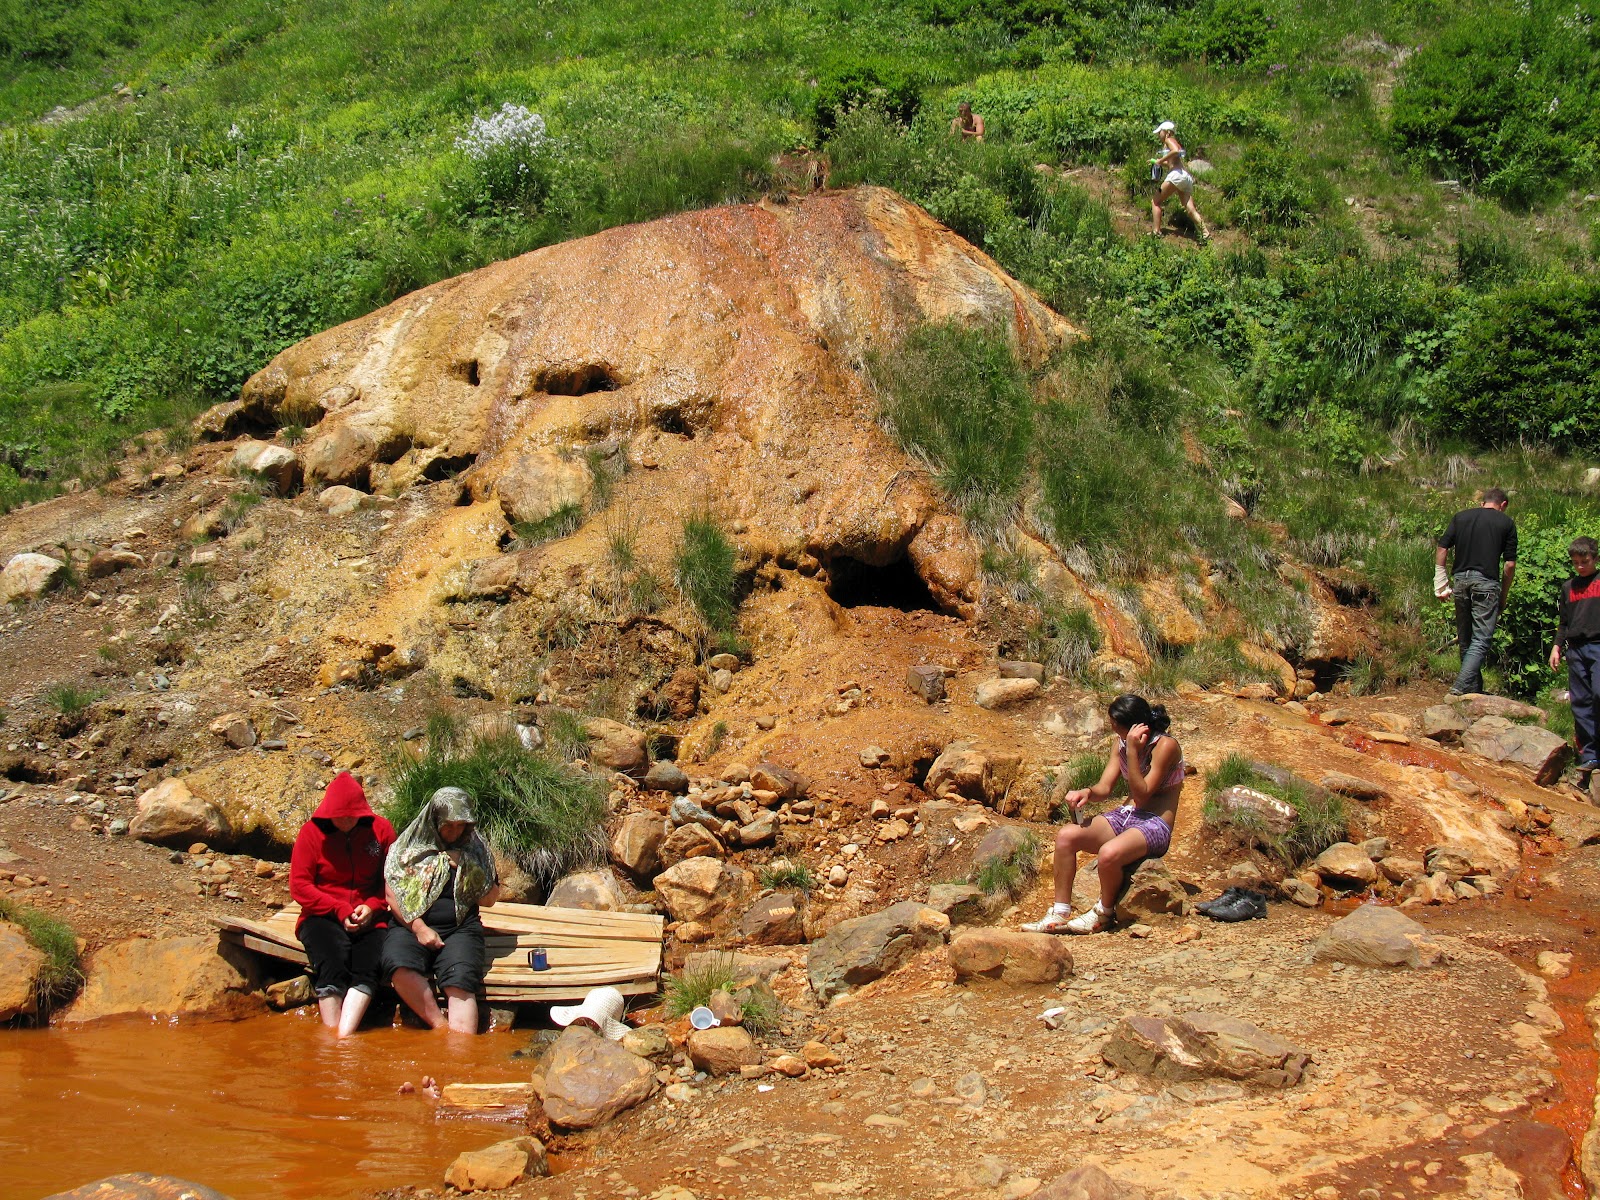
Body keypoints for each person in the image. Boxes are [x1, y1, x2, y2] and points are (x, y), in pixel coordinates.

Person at [1023, 694, 1184, 935]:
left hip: (1155, 823)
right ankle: (1059, 911)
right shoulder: (1121, 744)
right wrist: (1087, 793)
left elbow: (1142, 795)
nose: (1112, 729)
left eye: (1116, 725)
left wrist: (1132, 752)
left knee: (1108, 853)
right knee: (1067, 836)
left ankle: (1104, 912)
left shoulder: (1165, 746)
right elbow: (1105, 787)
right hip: (1126, 815)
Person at [382, 786, 502, 1033]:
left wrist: (467, 868)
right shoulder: (407, 847)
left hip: (460, 927)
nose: (455, 832)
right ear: (434, 820)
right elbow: (391, 895)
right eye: (448, 826)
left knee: (461, 978)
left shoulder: (476, 849)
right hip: (411, 924)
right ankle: (440, 1027)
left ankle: (460, 1047)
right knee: (399, 965)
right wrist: (419, 928)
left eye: (461, 826)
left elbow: (490, 899)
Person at [288, 772, 396, 1037]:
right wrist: (338, 908)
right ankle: (333, 1035)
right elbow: (300, 885)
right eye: (340, 816)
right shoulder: (311, 833)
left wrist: (372, 905)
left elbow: (392, 880)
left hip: (371, 917)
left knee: (369, 964)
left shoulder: (382, 831)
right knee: (331, 961)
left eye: (352, 815)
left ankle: (343, 1037)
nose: (346, 820)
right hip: (322, 915)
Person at [1435, 488, 1517, 696]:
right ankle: (1459, 687)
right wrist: (1503, 596)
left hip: (1460, 581)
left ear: (1482, 503)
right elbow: (1509, 565)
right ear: (1503, 505)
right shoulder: (1506, 523)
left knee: (1466, 639)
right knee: (1481, 639)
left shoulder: (1461, 517)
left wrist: (1440, 580)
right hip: (1486, 583)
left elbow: (1442, 548)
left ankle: (1473, 691)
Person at [1550, 535, 1600, 772]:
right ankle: (1590, 755)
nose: (1580, 566)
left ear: (1595, 558)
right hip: (1576, 649)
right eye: (1575, 562)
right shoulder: (1568, 587)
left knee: (1598, 694)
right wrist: (1557, 646)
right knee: (1580, 701)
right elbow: (1564, 622)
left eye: (1585, 561)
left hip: (1598, 645)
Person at [1149, 120, 1210, 240]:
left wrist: (1160, 160)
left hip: (1176, 176)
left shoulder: (1169, 139)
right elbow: (1171, 163)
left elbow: (1175, 150)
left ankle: (1156, 232)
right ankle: (1205, 232)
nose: (1159, 135)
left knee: (1155, 201)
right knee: (1190, 209)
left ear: (1166, 132)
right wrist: (1157, 162)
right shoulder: (1171, 142)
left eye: (1160, 132)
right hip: (1184, 177)